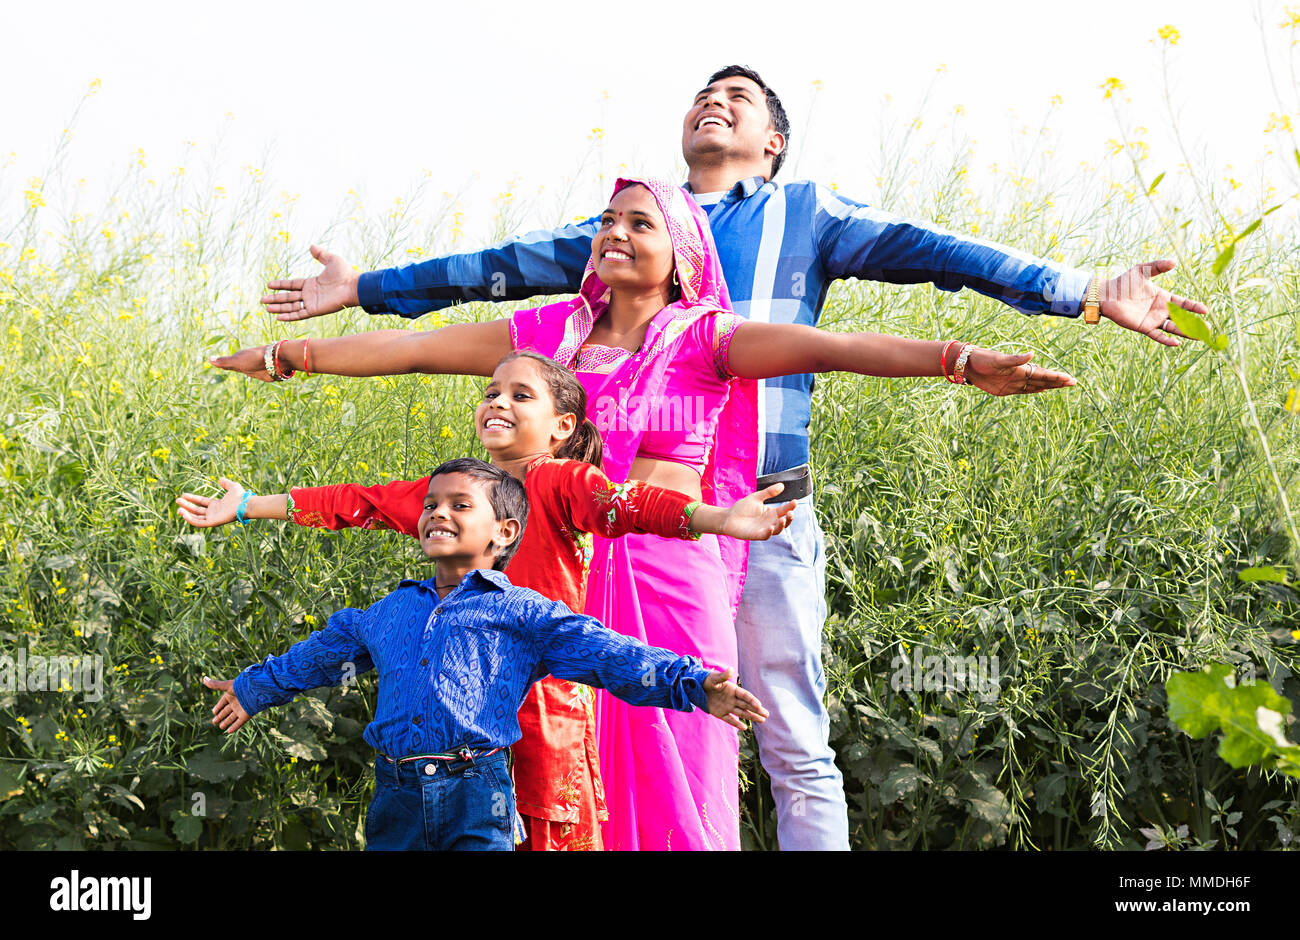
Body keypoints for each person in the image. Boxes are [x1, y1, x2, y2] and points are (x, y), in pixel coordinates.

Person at [249, 67, 1207, 851]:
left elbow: (929, 261)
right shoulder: (593, 271)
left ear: (773, 140)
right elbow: (469, 290)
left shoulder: (799, 225)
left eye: (741, 97)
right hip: (584, 543)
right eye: (705, 92)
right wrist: (352, 298)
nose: (716, 100)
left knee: (778, 731)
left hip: (746, 518)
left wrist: (1074, 294)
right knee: (569, 744)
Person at [182, 350, 794, 851]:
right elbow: (359, 502)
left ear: (562, 428)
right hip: (452, 702)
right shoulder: (451, 499)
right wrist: (246, 506)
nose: (497, 401)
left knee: (546, 834)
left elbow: (625, 505)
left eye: (520, 395)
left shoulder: (559, 479)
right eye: (492, 392)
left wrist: (716, 518)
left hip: (545, 705)